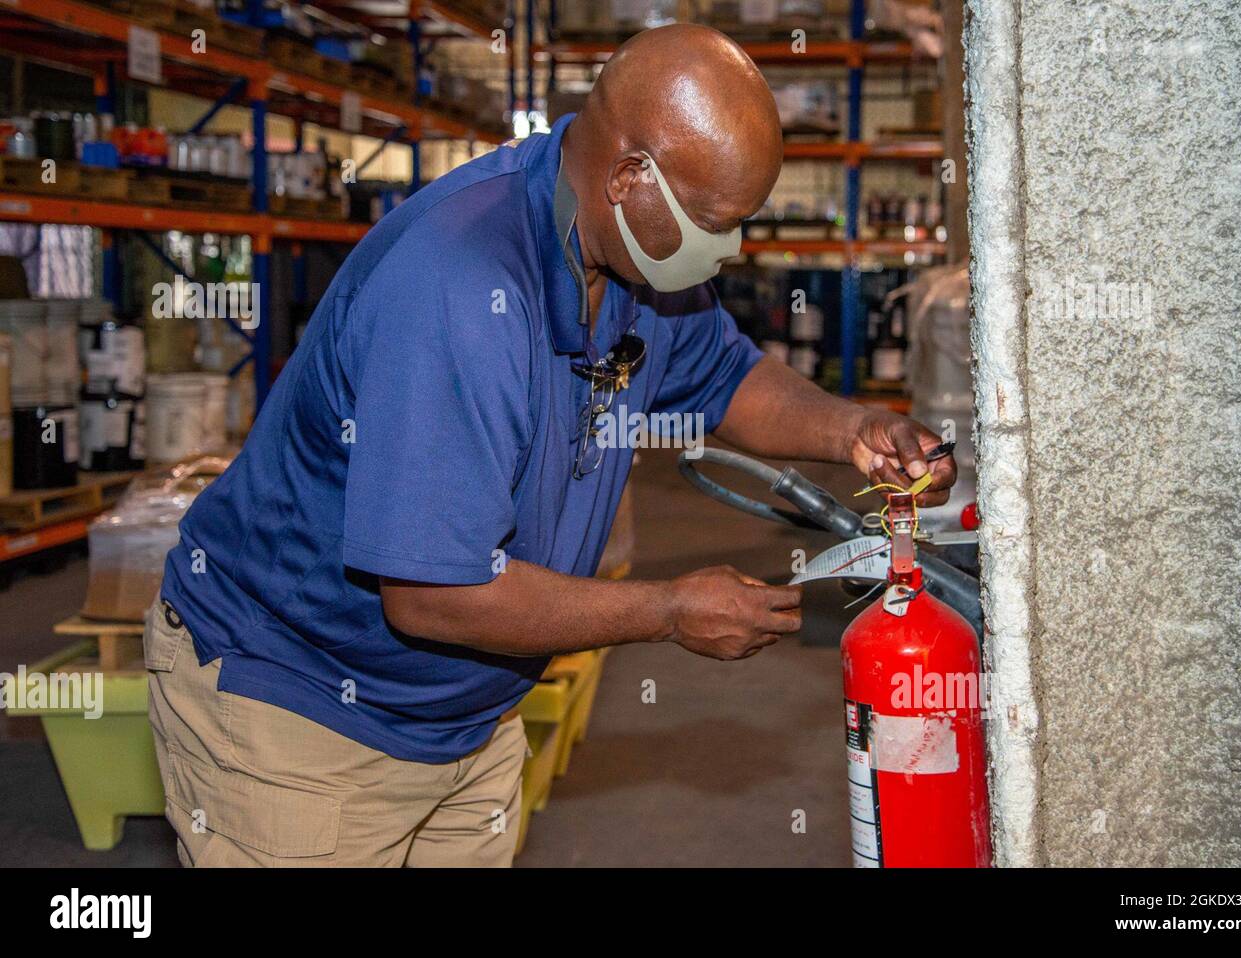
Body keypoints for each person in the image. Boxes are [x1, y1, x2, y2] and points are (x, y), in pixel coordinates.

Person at [145, 23, 955, 867]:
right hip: (298, 713)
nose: (731, 251)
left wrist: (853, 427)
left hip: (464, 716)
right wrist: (668, 610)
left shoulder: (639, 265)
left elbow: (725, 376)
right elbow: (433, 594)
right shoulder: (460, 286)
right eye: (718, 223)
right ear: (630, 177)